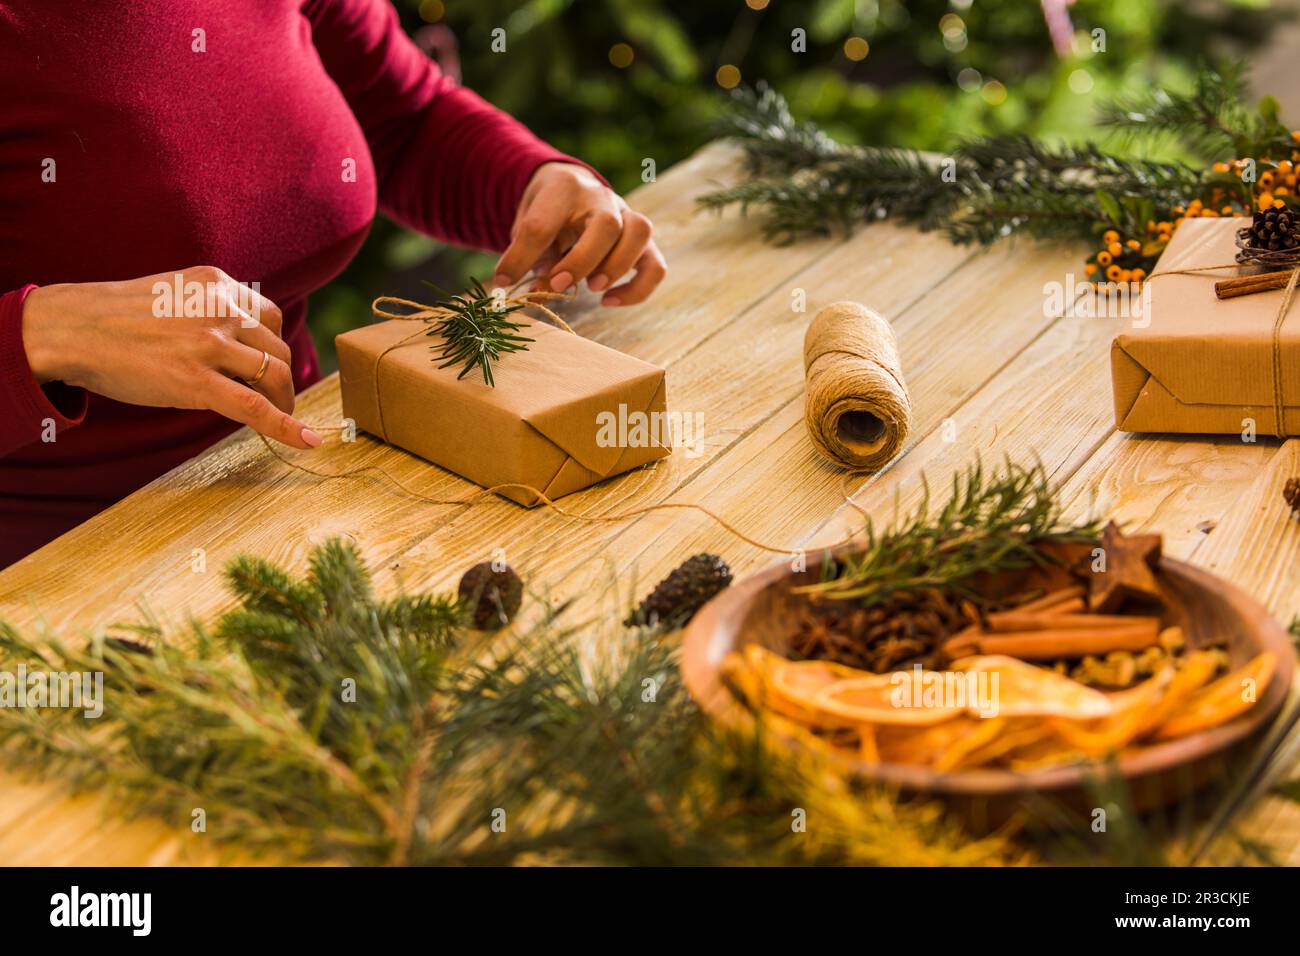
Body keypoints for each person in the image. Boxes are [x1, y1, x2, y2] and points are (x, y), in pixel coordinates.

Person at [0, 0, 665, 569]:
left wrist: (536, 179)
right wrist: (46, 333)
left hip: (302, 495)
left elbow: (403, 119)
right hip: (55, 578)